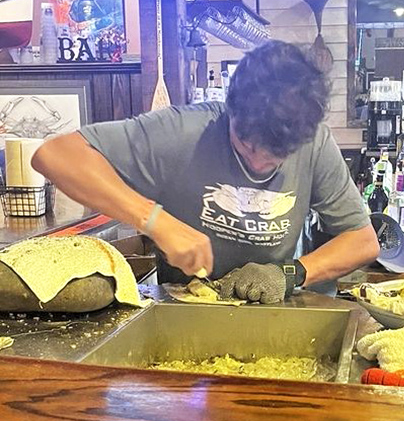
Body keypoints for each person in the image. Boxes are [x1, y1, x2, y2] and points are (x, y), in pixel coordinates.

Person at [33, 41, 380, 303]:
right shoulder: (185, 132)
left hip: (272, 311)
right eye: (246, 146)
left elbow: (362, 242)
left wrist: (289, 274)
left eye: (277, 157)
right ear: (230, 110)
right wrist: (155, 221)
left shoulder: (315, 142)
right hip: (183, 310)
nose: (258, 165)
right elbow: (55, 155)